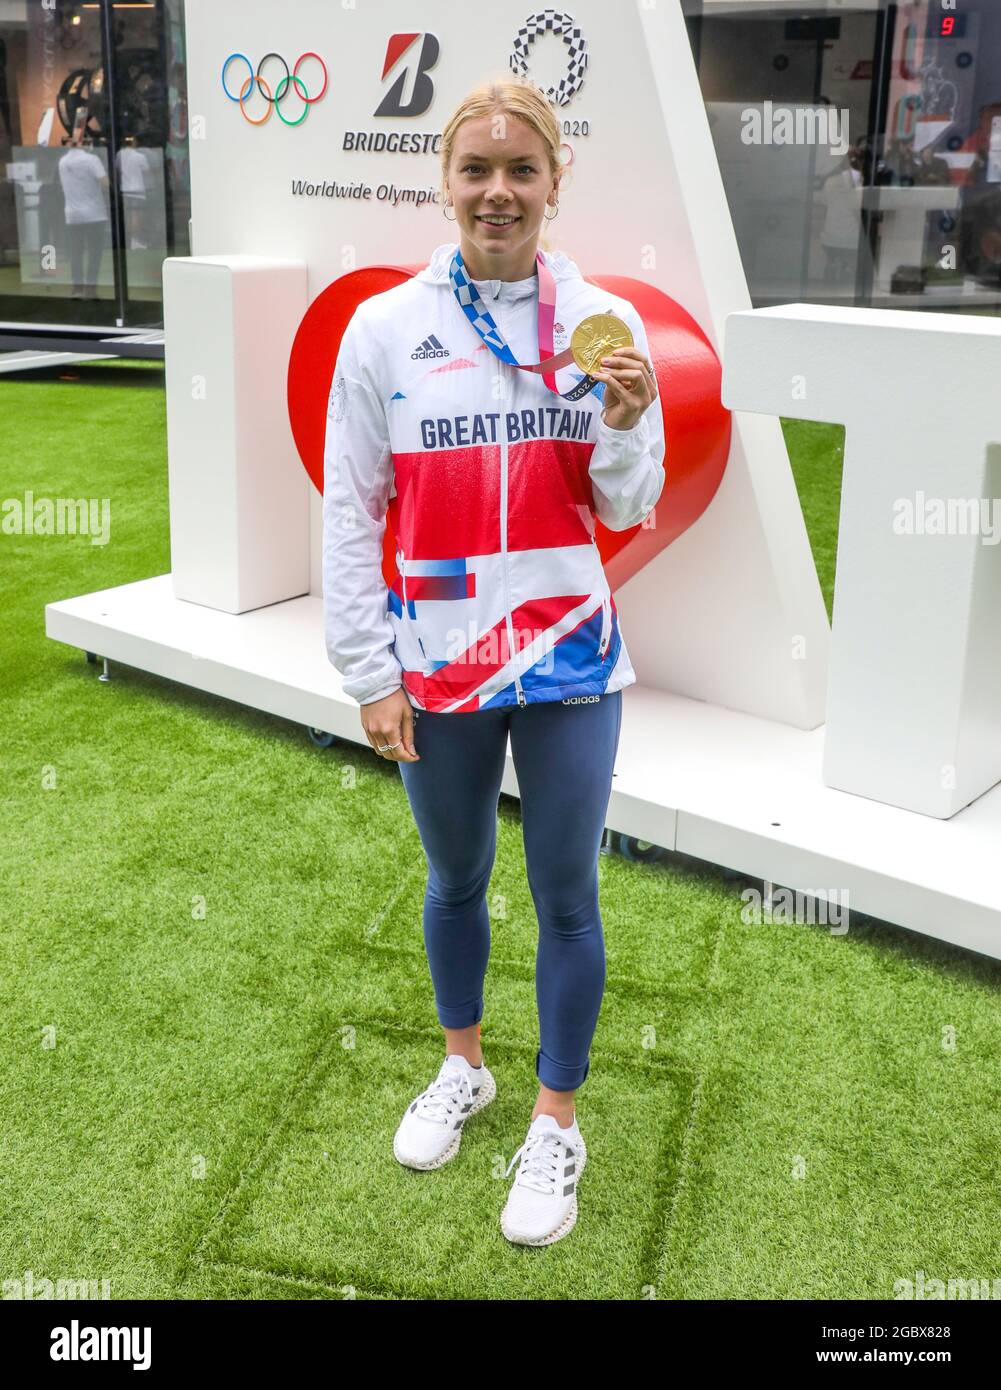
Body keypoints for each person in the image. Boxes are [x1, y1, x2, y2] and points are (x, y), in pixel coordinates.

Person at [322, 75, 665, 1247]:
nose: (497, 191)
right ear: (444, 184)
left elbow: (628, 500)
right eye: (476, 169)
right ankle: (463, 1063)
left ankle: (555, 1120)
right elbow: (351, 506)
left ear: (554, 185)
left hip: (570, 653)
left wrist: (622, 421)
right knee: (455, 879)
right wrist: (366, 669)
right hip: (442, 661)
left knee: (566, 896)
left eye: (522, 170)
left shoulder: (600, 327)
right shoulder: (386, 328)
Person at [57, 129, 109, 298]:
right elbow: (105, 183)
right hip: (94, 215)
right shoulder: (91, 160)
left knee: (76, 253)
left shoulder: (63, 162)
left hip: (72, 215)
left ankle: (77, 289)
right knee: (94, 253)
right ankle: (91, 289)